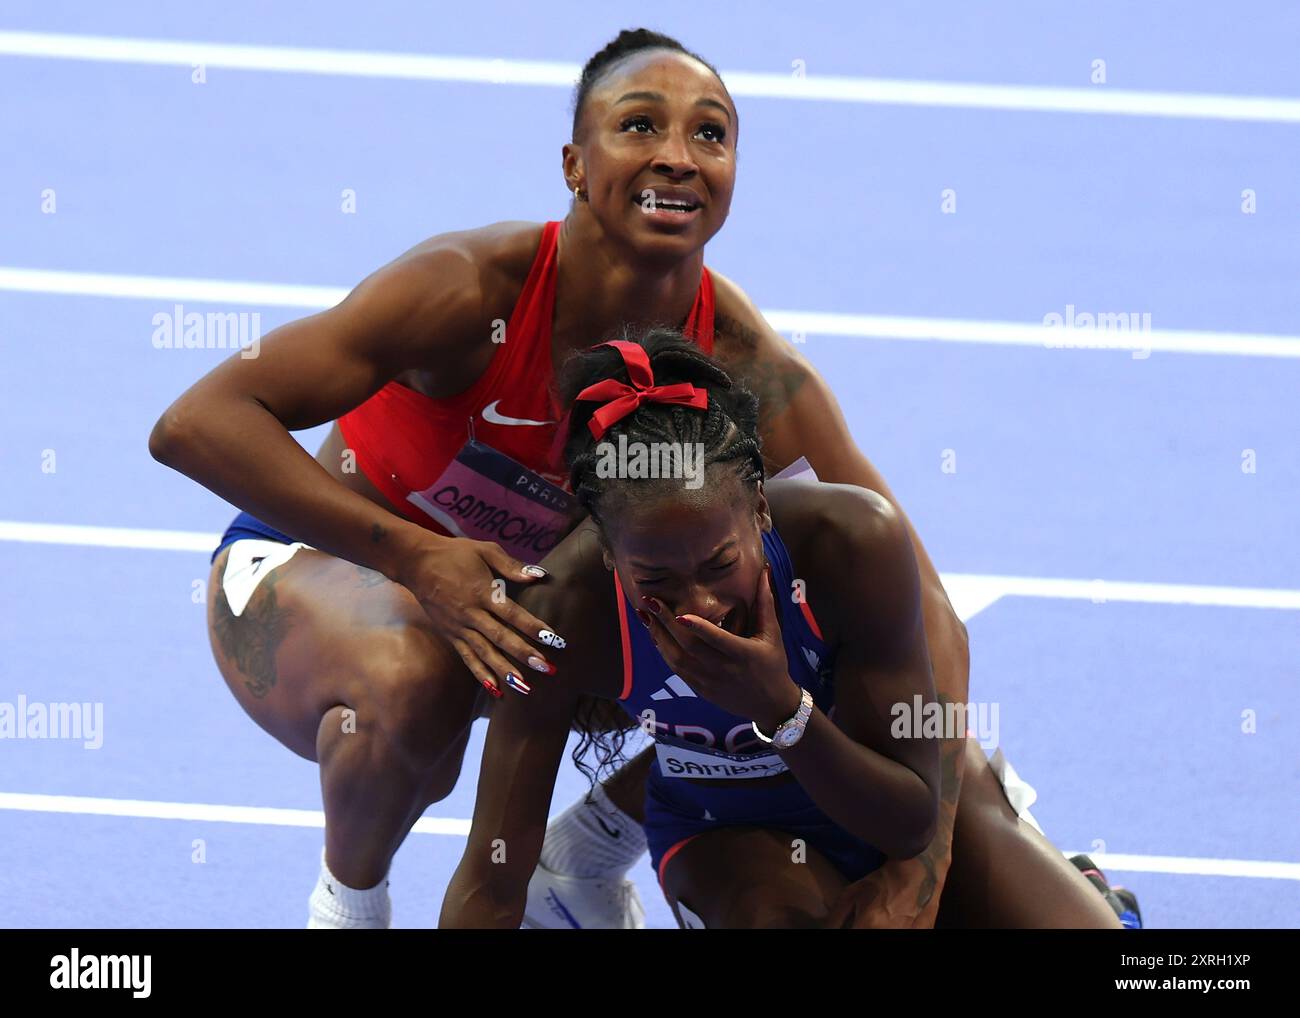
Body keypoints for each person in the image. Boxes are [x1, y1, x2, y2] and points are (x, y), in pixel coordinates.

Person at [148, 26, 1076, 930]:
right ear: (574, 166)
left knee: (752, 610)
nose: (678, 155)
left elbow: (926, 611)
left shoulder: (747, 366)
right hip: (325, 572)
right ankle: (346, 907)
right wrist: (422, 560)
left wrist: (925, 869)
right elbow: (197, 424)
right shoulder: (470, 292)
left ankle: (590, 845)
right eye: (640, 125)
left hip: (540, 615)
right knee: (422, 676)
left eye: (709, 134)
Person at [442, 330, 1126, 928]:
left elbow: (911, 819)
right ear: (608, 551)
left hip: (888, 793)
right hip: (729, 834)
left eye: (719, 563)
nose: (699, 606)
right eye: (655, 580)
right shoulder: (562, 614)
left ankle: (1089, 895)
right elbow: (492, 875)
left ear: (760, 510)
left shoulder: (850, 543)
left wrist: (784, 710)